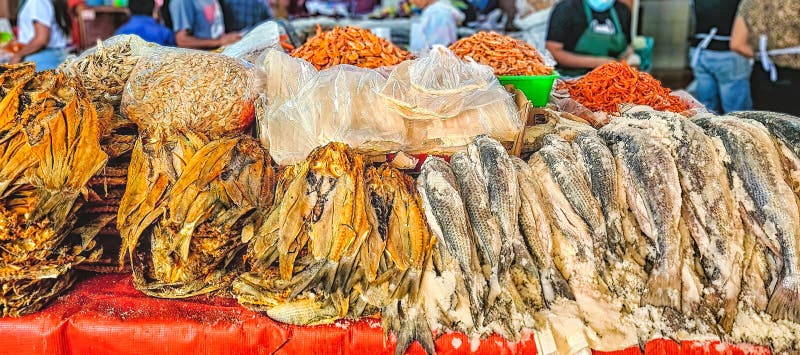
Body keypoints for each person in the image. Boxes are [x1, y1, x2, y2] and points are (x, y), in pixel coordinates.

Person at [730, 0, 800, 115]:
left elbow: (737, 44)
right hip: (795, 75)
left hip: (762, 75)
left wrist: (765, 57)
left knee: (765, 126)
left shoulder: (749, 3)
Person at [689, 0, 751, 114]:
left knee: (706, 108)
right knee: (737, 112)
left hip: (701, 52)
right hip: (729, 55)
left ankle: (705, 130)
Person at [545, 0, 632, 76]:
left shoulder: (622, 10)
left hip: (613, 76)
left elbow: (627, 47)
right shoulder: (567, 8)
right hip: (572, 76)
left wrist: (628, 60)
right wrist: (598, 63)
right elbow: (553, 51)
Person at [11, 0, 71, 70]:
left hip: (42, 59)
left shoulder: (37, 2)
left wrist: (18, 55)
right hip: (50, 57)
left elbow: (41, 39)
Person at [169, 0, 240, 49]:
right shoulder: (181, 2)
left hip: (223, 52)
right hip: (205, 62)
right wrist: (219, 42)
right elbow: (182, 40)